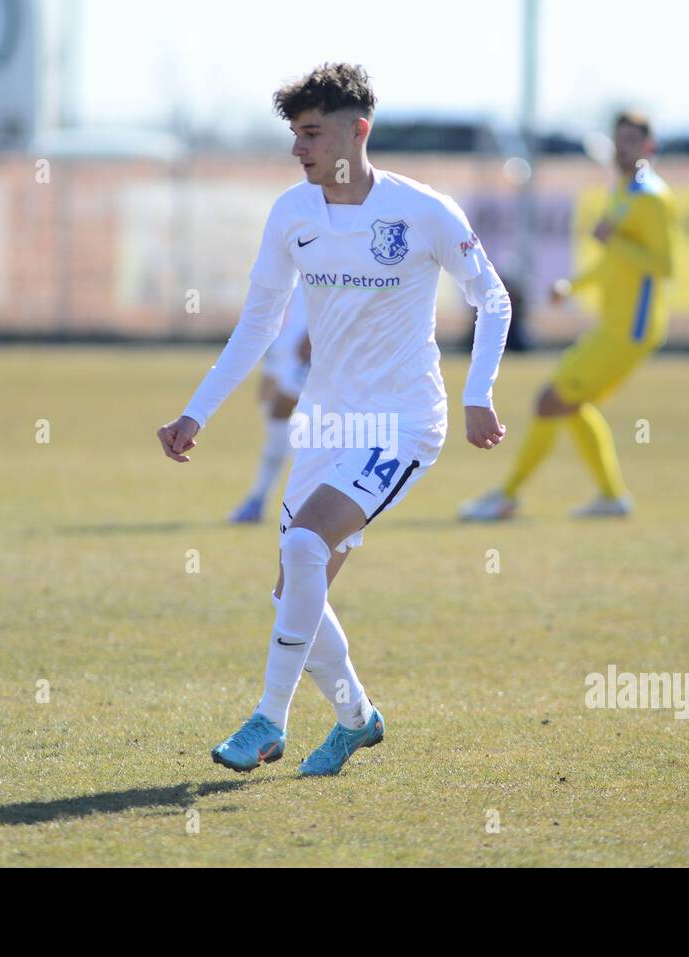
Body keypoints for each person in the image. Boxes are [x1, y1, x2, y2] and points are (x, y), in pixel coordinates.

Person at [156, 63, 511, 776]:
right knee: (296, 586)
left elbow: (493, 299)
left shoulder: (424, 211)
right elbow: (257, 325)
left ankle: (268, 719)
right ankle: (356, 718)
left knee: (306, 544)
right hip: (325, 423)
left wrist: (479, 390)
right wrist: (195, 412)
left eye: (312, 133)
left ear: (358, 131)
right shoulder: (292, 214)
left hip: (403, 423)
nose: (299, 149)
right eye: (294, 134)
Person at [459, 111, 674, 521]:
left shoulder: (652, 197)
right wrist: (572, 287)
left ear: (650, 147)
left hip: (632, 330)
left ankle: (507, 496)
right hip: (614, 327)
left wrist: (617, 242)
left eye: (633, 140)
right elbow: (615, 260)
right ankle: (612, 496)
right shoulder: (625, 192)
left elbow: (663, 266)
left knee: (549, 401)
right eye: (619, 139)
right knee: (568, 405)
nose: (624, 147)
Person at [228, 282, 310, 524]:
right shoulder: (294, 253)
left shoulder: (333, 252)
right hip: (283, 345)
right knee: (269, 407)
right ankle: (266, 496)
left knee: (282, 412)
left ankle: (260, 499)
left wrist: (311, 336)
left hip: (306, 349)